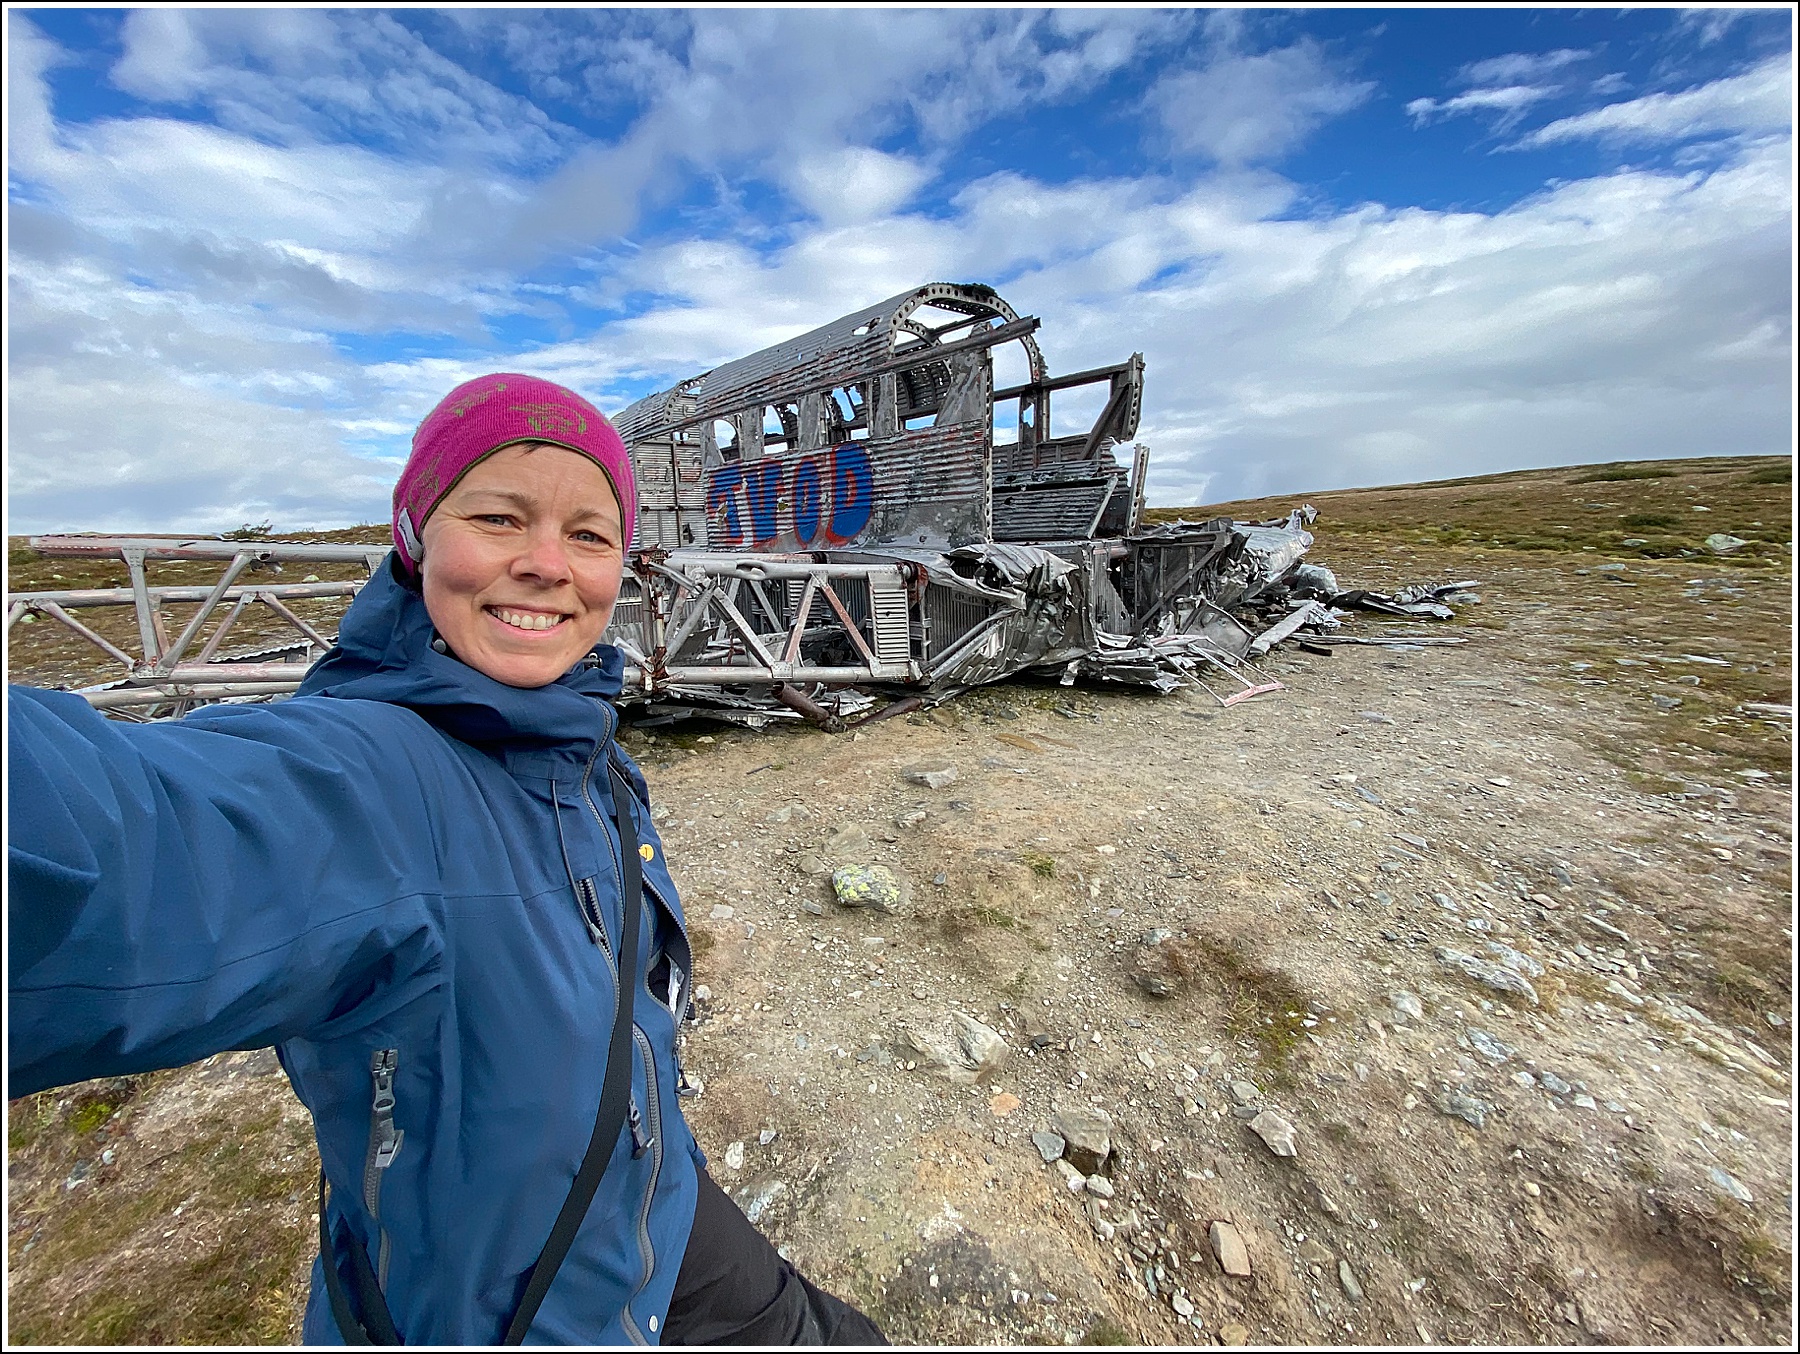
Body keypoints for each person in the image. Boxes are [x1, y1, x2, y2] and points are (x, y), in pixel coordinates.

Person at [8, 374, 887, 1346]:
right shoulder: (369, 782)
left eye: (589, 534)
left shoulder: (590, 757)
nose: (549, 563)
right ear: (416, 536)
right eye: (500, 516)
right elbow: (122, 839)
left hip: (648, 1200)